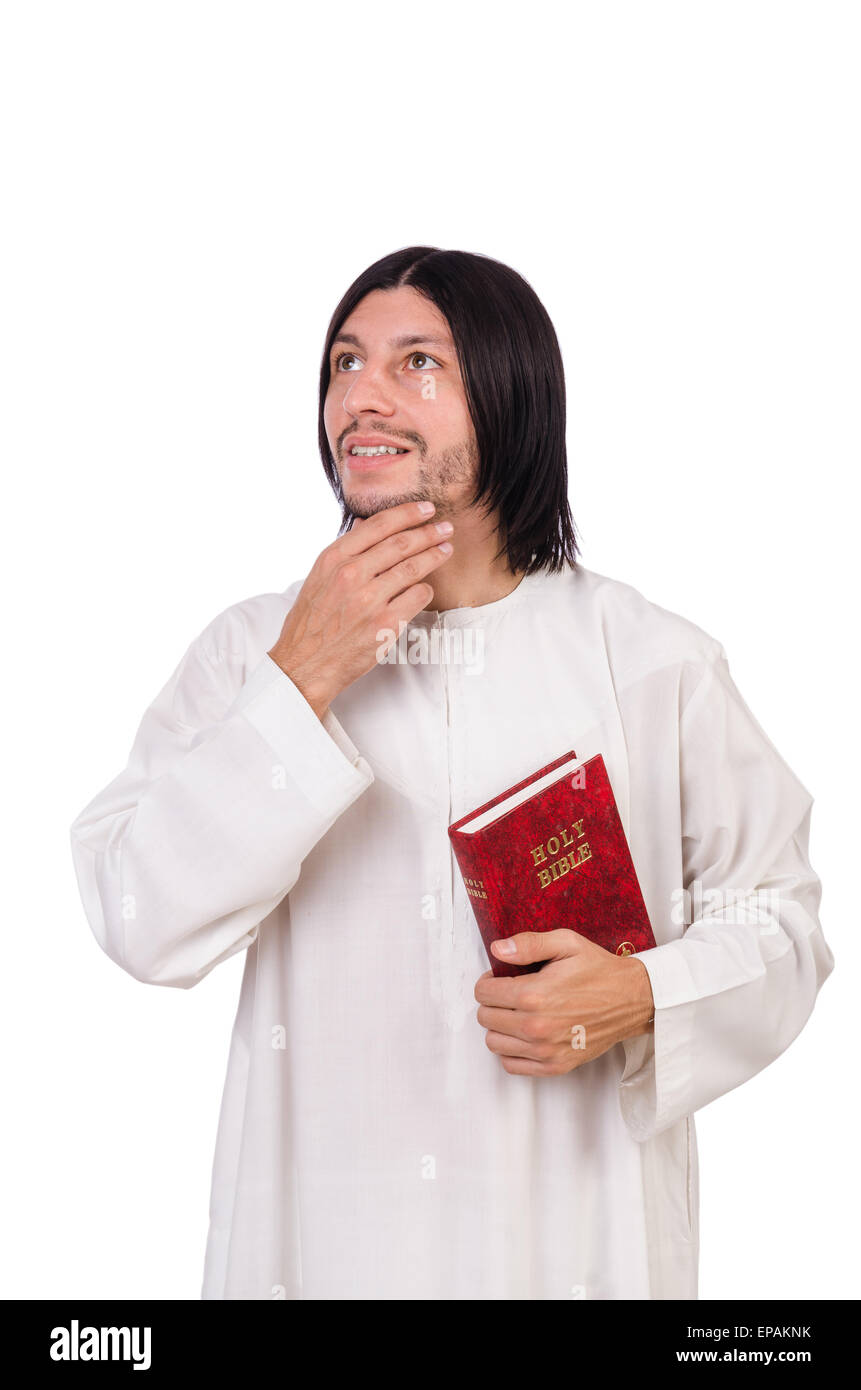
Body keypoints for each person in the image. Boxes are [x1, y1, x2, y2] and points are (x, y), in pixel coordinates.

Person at [70, 246, 834, 1300]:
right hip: (317, 1250)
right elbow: (134, 911)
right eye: (344, 362)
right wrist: (299, 682)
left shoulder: (649, 659)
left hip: (571, 1252)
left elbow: (785, 922)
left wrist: (647, 994)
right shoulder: (253, 649)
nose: (360, 397)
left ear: (510, 395)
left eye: (416, 362)